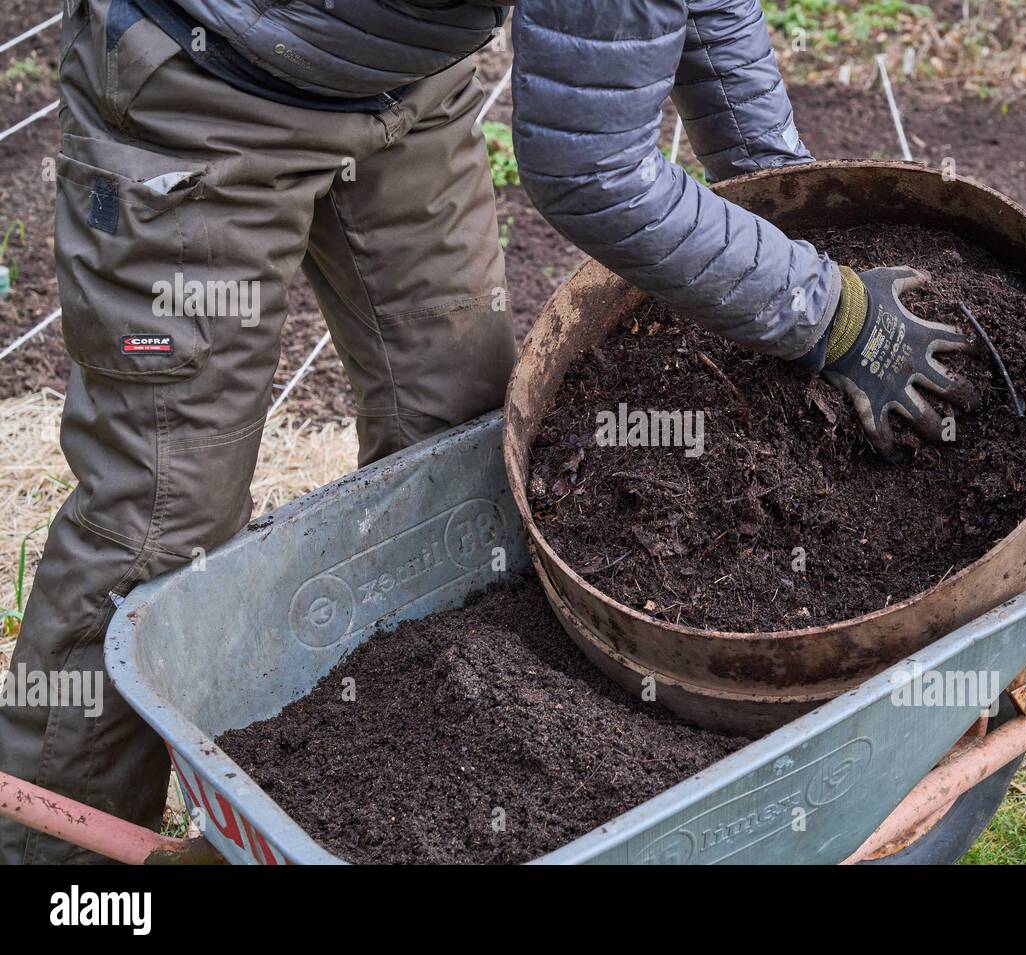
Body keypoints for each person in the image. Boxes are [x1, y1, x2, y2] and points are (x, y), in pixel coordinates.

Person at [0, 0, 972, 864]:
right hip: (204, 80)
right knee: (160, 520)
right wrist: (831, 315)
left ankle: (413, 792)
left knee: (463, 453)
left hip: (402, 85)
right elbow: (594, 173)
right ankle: (51, 854)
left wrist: (796, 214)